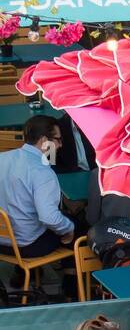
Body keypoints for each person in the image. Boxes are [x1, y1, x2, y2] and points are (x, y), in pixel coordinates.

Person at [0, 116, 75, 298]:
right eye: (57, 139)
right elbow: (49, 218)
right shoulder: (42, 171)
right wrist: (69, 230)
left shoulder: (3, 158)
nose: (60, 145)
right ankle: (72, 289)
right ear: (43, 141)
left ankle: (23, 273)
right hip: (27, 245)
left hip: (2, 241)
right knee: (77, 228)